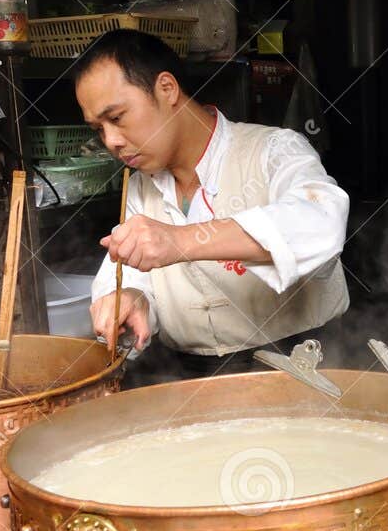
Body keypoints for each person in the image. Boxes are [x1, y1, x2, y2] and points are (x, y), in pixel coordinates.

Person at [76, 30, 350, 377]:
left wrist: (180, 240)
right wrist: (132, 298)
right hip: (192, 377)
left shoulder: (273, 150)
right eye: (98, 129)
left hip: (304, 366)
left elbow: (321, 220)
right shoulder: (141, 187)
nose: (111, 141)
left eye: (116, 118)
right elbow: (132, 276)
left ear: (166, 89)